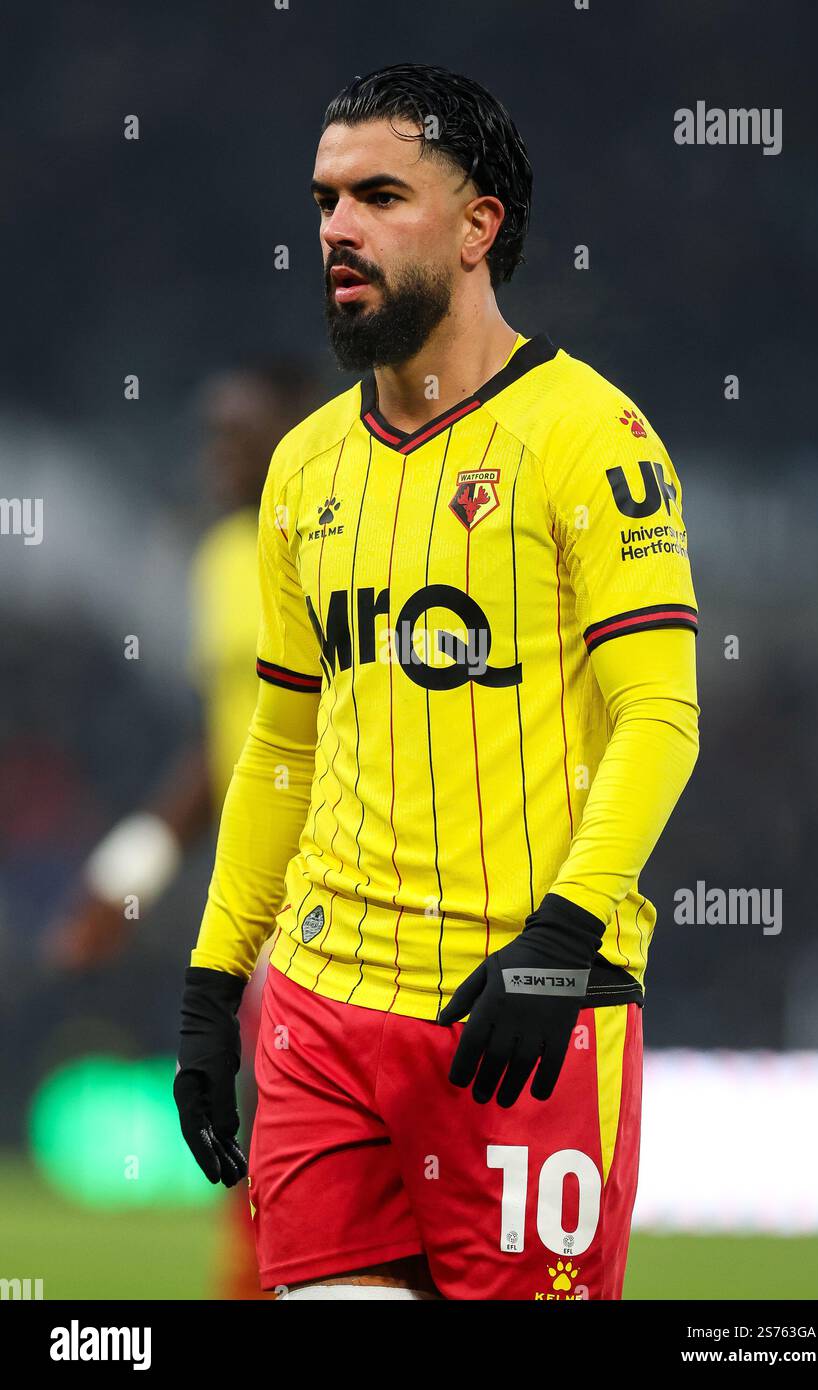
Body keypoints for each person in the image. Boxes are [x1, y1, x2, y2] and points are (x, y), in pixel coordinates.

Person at [174, 63, 700, 1302]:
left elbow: (659, 715)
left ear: (477, 227)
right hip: (321, 1011)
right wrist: (211, 979)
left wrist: (561, 938)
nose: (335, 228)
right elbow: (282, 747)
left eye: (377, 196)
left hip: (521, 1014)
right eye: (324, 200)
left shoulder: (591, 438)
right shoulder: (304, 469)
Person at [47, 360, 322, 1298]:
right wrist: (126, 877)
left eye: (237, 436)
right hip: (260, 902)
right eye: (211, 436)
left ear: (298, 432)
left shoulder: (344, 551)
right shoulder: (220, 562)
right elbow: (227, 746)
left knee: (289, 1134)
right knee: (259, 1130)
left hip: (348, 893)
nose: (216, 457)